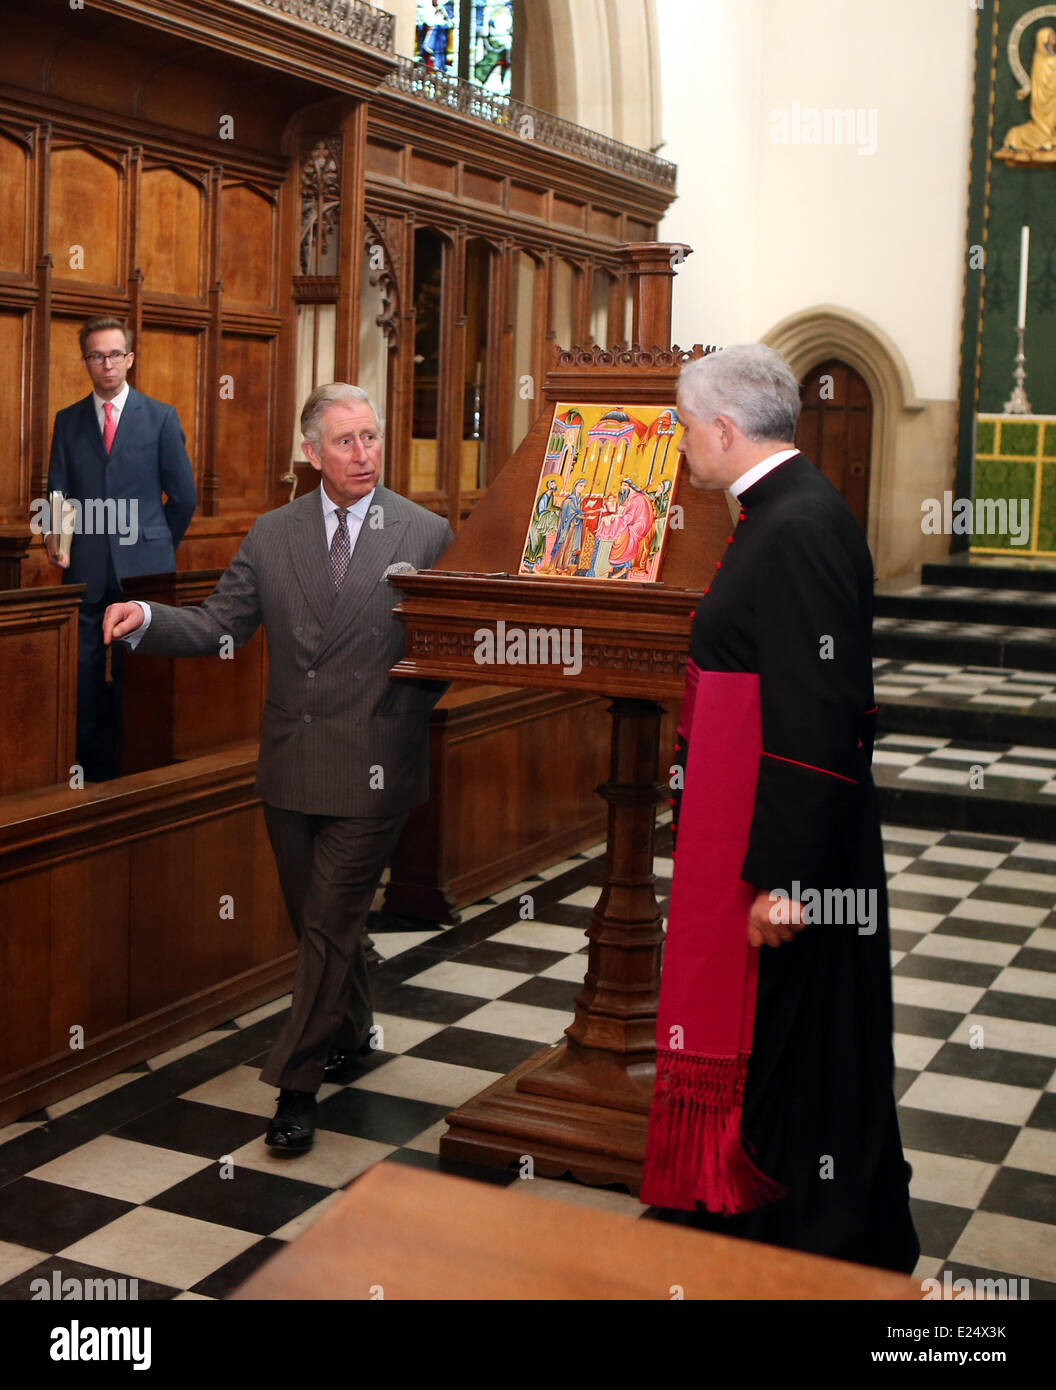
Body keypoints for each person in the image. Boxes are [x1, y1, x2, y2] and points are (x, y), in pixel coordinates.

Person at [103, 383, 453, 1154]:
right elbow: (220, 624)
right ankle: (354, 1026)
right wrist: (146, 621)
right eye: (346, 441)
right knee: (318, 924)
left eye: (371, 438)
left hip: (374, 767)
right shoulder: (272, 534)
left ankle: (296, 1088)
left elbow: (448, 646)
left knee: (328, 924)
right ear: (311, 452)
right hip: (291, 766)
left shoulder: (426, 532)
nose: (364, 454)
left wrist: (410, 708)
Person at [639, 343, 919, 1275]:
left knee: (803, 1045)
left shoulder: (795, 524)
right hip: (766, 826)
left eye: (684, 428)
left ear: (724, 429)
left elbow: (819, 711)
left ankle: (808, 1240)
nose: (681, 447)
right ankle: (753, 1223)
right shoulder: (777, 510)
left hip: (796, 846)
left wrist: (784, 881)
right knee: (790, 1046)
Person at [45, 317, 196, 782]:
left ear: (129, 359)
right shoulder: (67, 421)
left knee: (142, 675)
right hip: (85, 566)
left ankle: (140, 772)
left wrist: (154, 541)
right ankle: (87, 771)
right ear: (86, 362)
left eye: (115, 355)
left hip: (145, 568)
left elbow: (184, 497)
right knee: (83, 674)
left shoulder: (161, 417)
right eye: (96, 355)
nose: (106, 364)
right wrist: (56, 538)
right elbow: (59, 492)